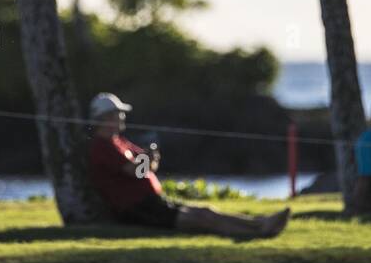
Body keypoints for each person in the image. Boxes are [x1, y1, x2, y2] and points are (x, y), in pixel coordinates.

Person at [87, 92, 290, 238]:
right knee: (202, 218)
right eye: (117, 114)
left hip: (151, 202)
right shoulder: (102, 146)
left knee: (206, 211)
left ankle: (260, 223)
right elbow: (134, 171)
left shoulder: (119, 142)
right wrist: (147, 158)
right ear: (105, 118)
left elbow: (146, 169)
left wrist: (151, 156)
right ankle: (256, 232)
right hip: (138, 209)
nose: (122, 118)